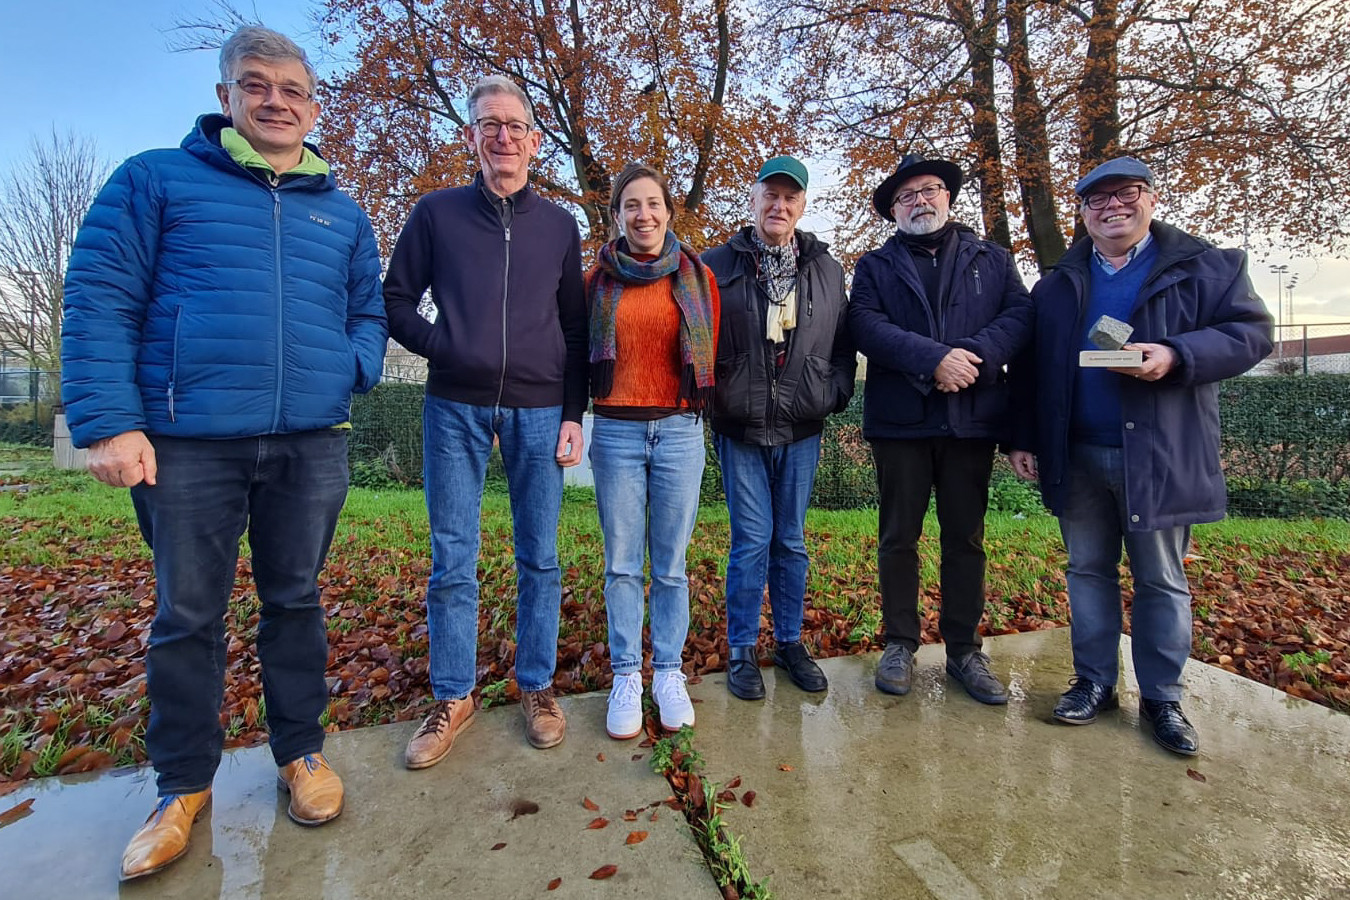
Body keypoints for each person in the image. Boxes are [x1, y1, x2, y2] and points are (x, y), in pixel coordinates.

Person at [60, 26, 387, 881]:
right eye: (256, 84)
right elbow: (100, 296)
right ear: (225, 97)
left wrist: (346, 370)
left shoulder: (341, 210)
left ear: (314, 105)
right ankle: (181, 786)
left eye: (292, 89)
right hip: (188, 442)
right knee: (188, 615)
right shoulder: (155, 181)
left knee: (296, 600)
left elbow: (367, 313)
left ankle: (300, 754)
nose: (276, 100)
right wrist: (108, 421)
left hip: (308, 442)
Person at [1008, 156, 1272, 756]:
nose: (1112, 208)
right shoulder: (1057, 282)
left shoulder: (1207, 267)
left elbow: (1252, 333)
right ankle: (1094, 681)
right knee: (1086, 571)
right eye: (1096, 201)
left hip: (1157, 456)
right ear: (1082, 214)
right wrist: (1022, 436)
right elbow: (1030, 368)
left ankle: (1163, 697)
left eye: (1125, 194)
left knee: (1160, 577)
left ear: (1151, 198)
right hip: (1075, 453)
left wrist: (1176, 354)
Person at [383, 75, 587, 767]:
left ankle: (537, 685)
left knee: (541, 555)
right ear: (470, 137)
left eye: (514, 125)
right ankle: (453, 694)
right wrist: (448, 347)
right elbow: (397, 300)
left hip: (538, 410)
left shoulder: (561, 227)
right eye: (487, 124)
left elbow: (576, 327)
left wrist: (571, 413)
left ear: (534, 140)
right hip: (454, 407)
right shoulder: (436, 215)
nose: (502, 136)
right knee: (453, 556)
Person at [848, 154, 1033, 704]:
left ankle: (964, 649)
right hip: (901, 423)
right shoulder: (875, 267)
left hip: (971, 420)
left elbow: (1020, 317)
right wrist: (934, 361)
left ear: (948, 197)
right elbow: (865, 325)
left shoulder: (992, 259)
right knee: (898, 537)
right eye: (906, 196)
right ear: (894, 210)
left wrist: (969, 357)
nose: (919, 201)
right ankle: (900, 642)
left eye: (929, 190)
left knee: (965, 539)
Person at [702, 156, 856, 700]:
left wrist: (832, 391)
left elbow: (842, 342)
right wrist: (714, 393)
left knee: (789, 539)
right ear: (754, 199)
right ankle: (743, 647)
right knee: (750, 540)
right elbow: (696, 340)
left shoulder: (826, 268)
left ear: (803, 205)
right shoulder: (717, 264)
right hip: (740, 424)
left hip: (801, 425)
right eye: (770, 195)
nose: (779, 206)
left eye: (790, 198)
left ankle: (789, 641)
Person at [586, 163, 721, 738]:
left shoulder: (698, 277)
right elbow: (576, 354)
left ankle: (667, 670)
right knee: (621, 564)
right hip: (615, 430)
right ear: (616, 215)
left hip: (680, 431)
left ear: (669, 211)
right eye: (631, 206)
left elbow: (715, 355)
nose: (644, 215)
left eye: (653, 204)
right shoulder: (596, 280)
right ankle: (625, 674)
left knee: (670, 566)